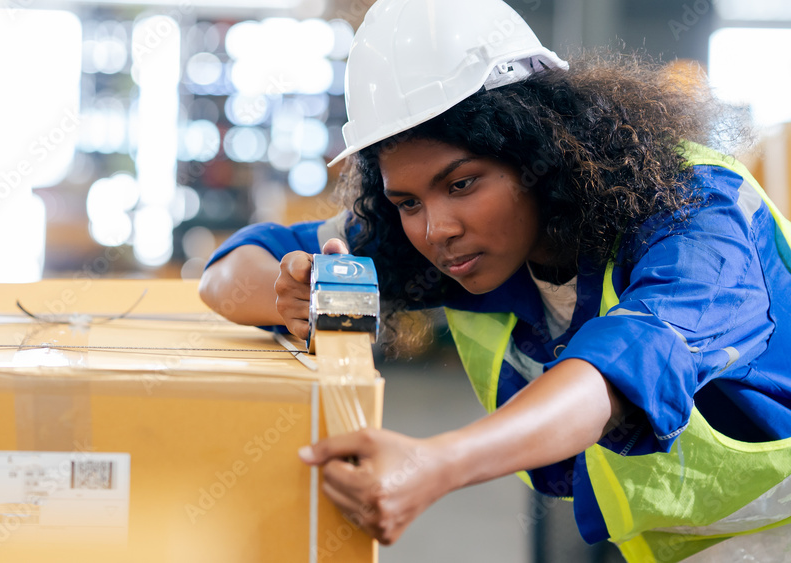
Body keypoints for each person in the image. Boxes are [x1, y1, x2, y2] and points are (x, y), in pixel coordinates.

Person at [197, 0, 791, 560]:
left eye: (462, 184)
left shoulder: (697, 214)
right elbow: (230, 269)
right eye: (406, 201)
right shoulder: (450, 244)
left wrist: (436, 463)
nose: (436, 229)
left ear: (543, 151)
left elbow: (624, 367)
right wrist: (292, 293)